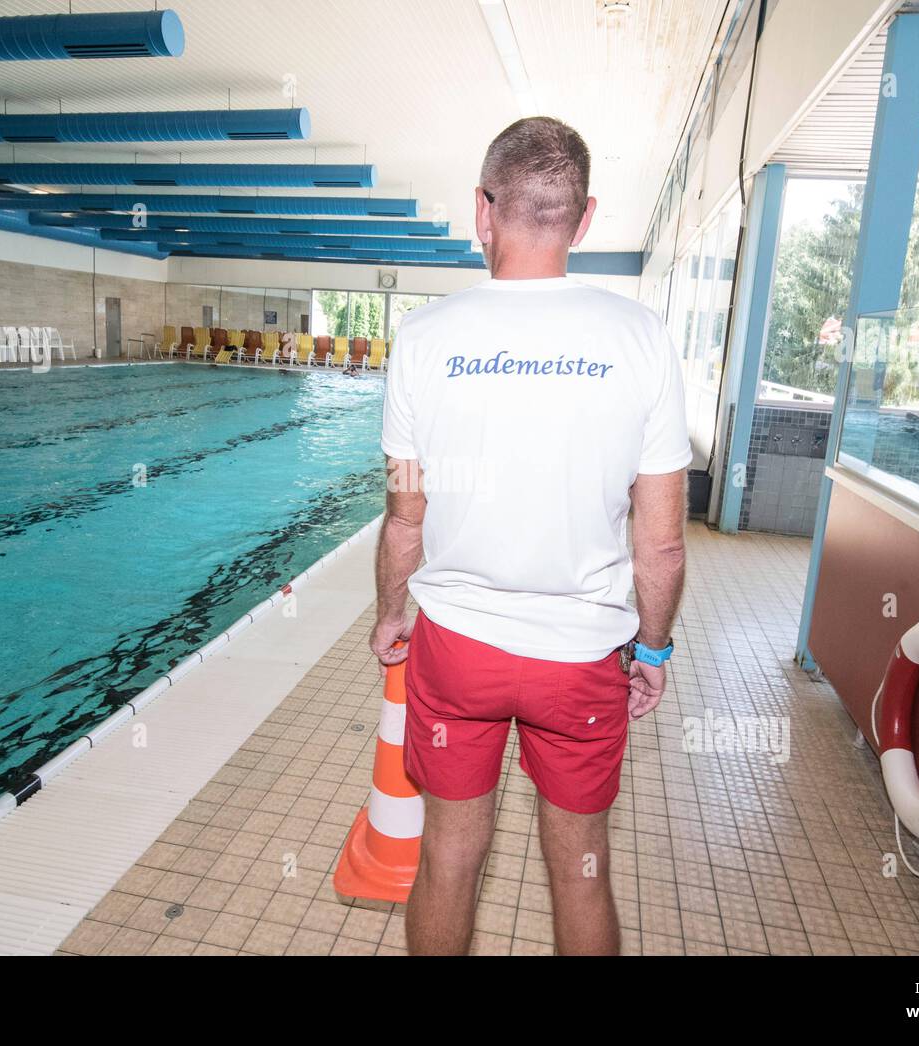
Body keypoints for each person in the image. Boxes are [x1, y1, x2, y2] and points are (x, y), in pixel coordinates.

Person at [371, 117, 690, 956]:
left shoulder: (423, 340)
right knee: (582, 866)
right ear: (585, 220)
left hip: (458, 650)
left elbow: (408, 514)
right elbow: (661, 546)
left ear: (484, 210)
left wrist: (389, 615)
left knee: (447, 858)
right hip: (581, 658)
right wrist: (651, 651)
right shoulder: (642, 341)